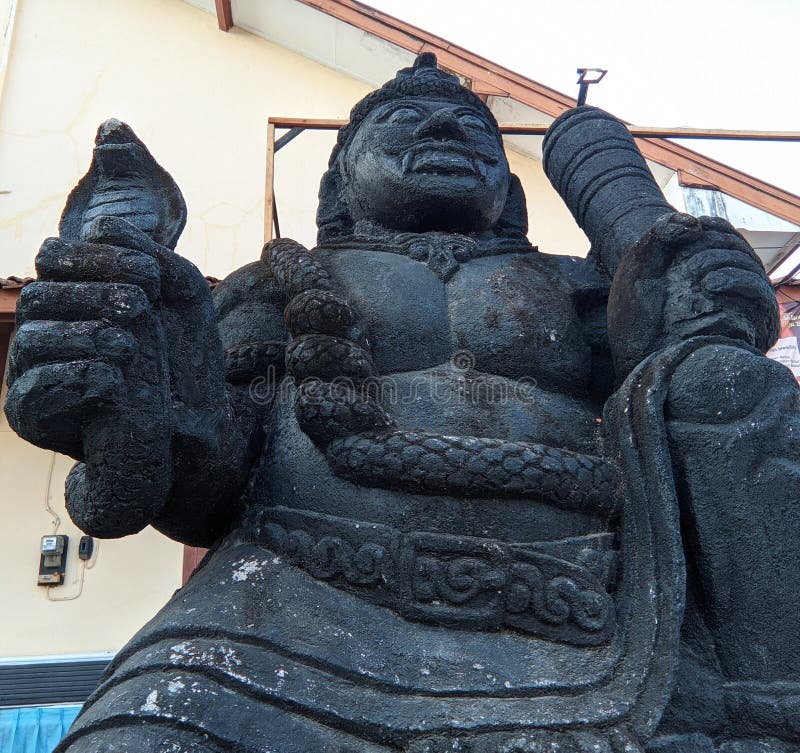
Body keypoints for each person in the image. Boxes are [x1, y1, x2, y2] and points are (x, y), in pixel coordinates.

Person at [5, 53, 797, 752]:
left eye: (473, 133)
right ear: (339, 179)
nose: (445, 133)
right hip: (297, 603)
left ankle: (770, 696)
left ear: (508, 188)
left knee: (726, 381)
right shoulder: (273, 280)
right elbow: (210, 480)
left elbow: (689, 395)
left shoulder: (579, 285)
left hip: (581, 605)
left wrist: (702, 300)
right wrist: (135, 400)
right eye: (407, 122)